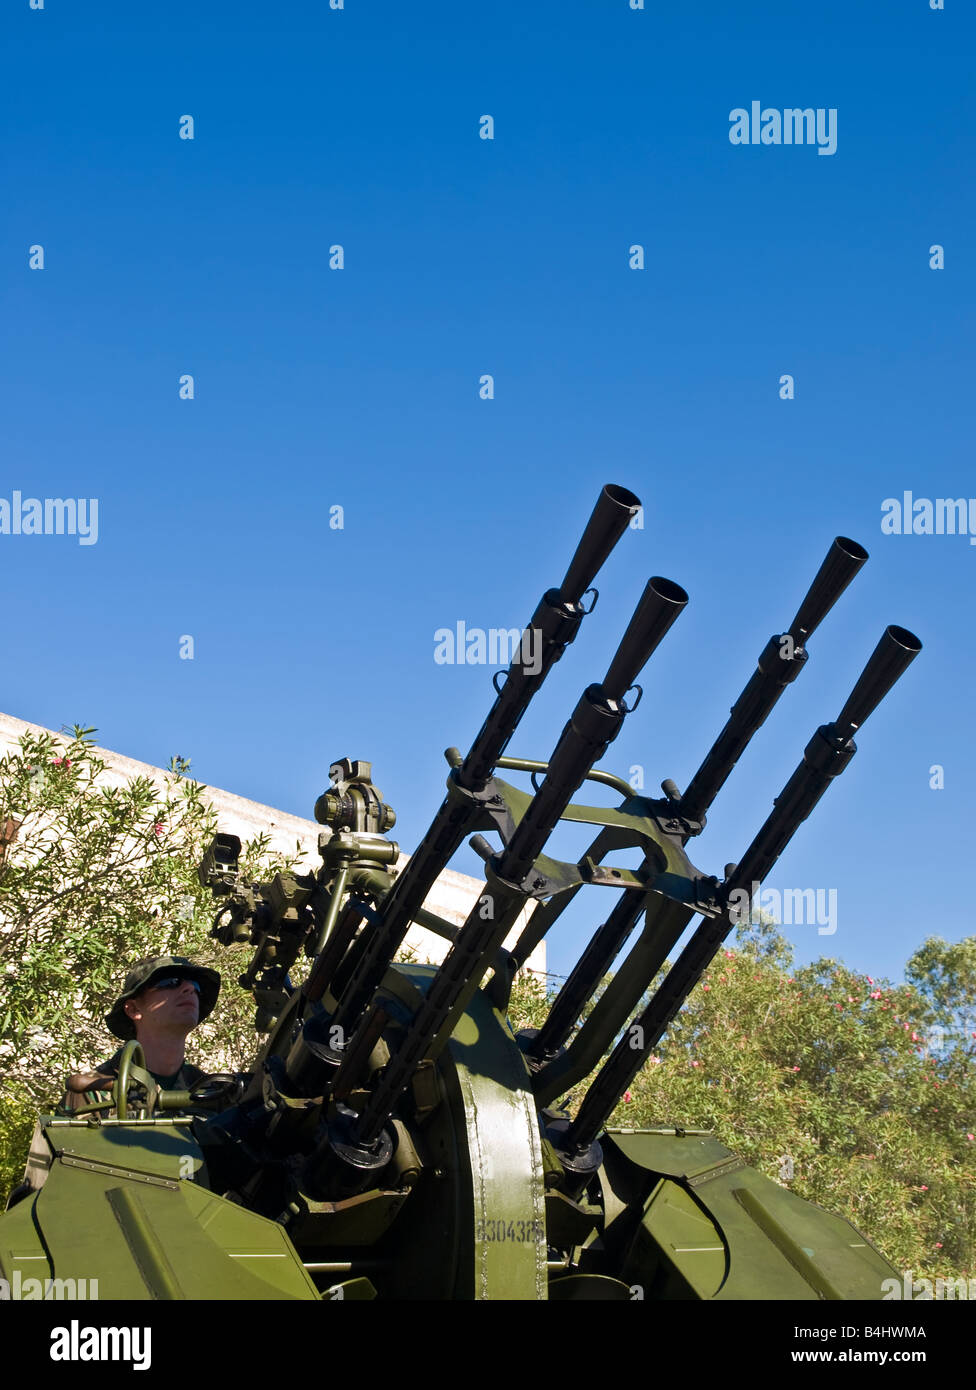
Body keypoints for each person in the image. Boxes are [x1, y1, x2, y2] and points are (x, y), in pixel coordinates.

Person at [60, 955, 221, 1114]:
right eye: (171, 982)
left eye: (195, 984)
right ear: (134, 1009)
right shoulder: (92, 1092)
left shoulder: (210, 1093)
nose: (189, 988)